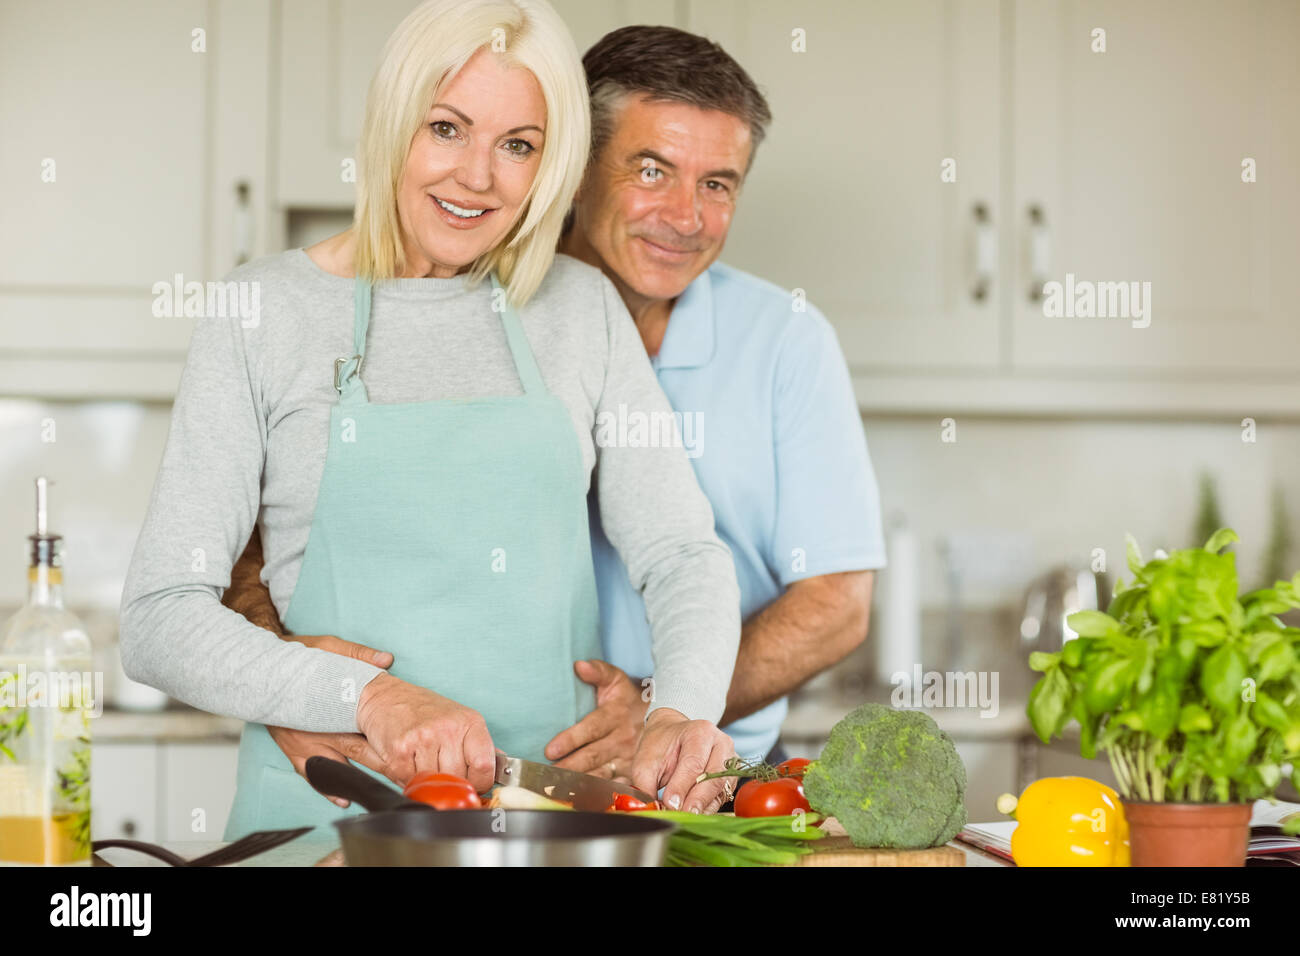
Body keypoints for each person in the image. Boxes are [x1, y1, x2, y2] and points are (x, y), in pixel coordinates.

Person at [119, 0, 740, 841]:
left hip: (550, 824)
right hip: (327, 813)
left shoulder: (580, 309)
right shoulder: (262, 311)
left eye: (518, 145)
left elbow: (682, 553)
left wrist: (680, 710)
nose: (478, 176)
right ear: (392, 125)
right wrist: (366, 697)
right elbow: (160, 617)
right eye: (446, 128)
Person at [226, 23, 885, 796]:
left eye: (718, 183)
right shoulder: (410, 303)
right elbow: (249, 549)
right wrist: (299, 686)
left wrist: (662, 708)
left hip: (689, 779)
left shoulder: (784, 341)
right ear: (574, 169)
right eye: (651, 169)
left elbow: (827, 600)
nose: (686, 216)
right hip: (409, 763)